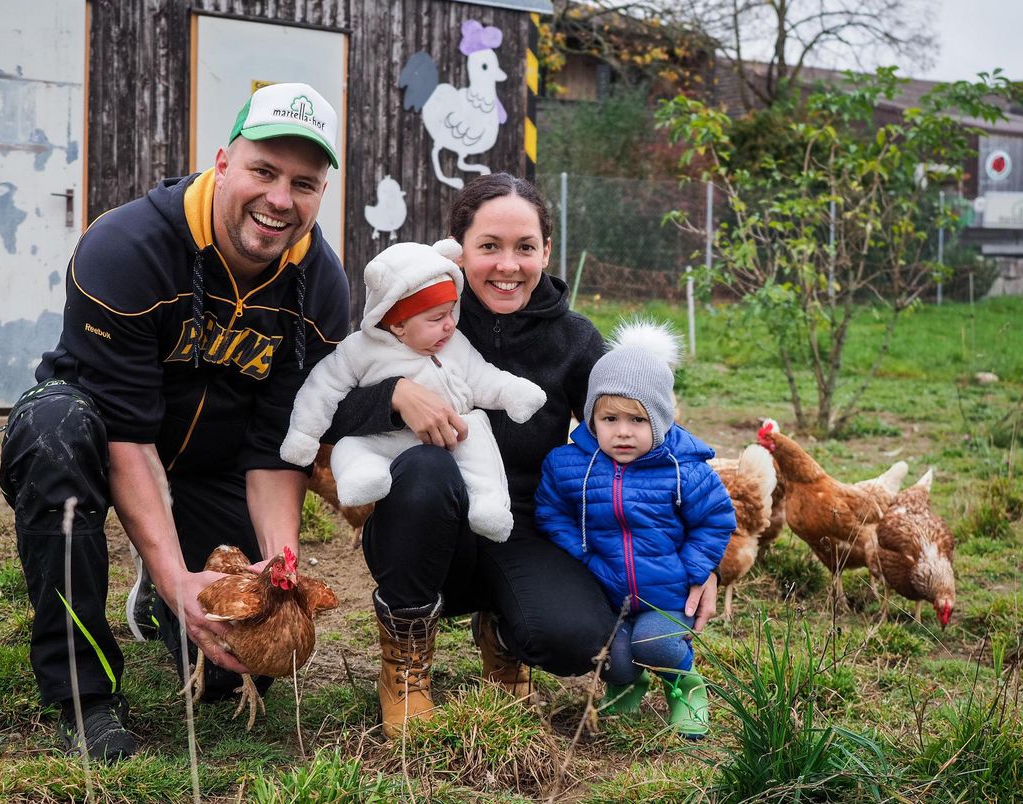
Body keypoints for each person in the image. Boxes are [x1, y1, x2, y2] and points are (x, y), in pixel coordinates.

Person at [0, 82, 350, 760]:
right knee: (55, 433)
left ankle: (161, 604)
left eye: (303, 183)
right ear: (223, 162)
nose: (280, 199)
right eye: (264, 171)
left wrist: (276, 568)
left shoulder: (320, 290)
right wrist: (173, 572)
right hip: (103, 441)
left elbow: (279, 448)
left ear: (322, 193)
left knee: (233, 664)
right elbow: (129, 436)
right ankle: (85, 694)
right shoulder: (127, 247)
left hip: (214, 465)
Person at [322, 173, 722, 737]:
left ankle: (505, 633)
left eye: (524, 248)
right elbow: (322, 404)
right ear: (460, 250)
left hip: (524, 524)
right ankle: (404, 663)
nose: (508, 265)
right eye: (489, 247)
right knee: (427, 468)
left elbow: (647, 428)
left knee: (581, 641)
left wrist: (700, 558)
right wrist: (392, 396)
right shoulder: (412, 316)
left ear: (546, 252)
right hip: (424, 522)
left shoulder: (576, 341)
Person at [534, 321, 736, 738]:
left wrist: (694, 569)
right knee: (617, 655)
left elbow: (715, 520)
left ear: (660, 419)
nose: (622, 431)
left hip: (668, 595)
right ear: (591, 418)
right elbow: (551, 513)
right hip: (607, 593)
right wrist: (583, 553)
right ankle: (627, 685)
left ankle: (686, 688)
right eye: (609, 418)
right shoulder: (569, 465)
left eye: (638, 419)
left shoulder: (685, 470)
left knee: (654, 645)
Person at [281, 239, 547, 543]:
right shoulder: (361, 351)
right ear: (398, 325)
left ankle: (487, 506)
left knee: (478, 442)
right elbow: (322, 387)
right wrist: (303, 436)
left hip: (453, 436)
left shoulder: (455, 345)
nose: (450, 326)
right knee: (352, 450)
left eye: (451, 312)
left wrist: (512, 392)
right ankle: (363, 477)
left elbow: (482, 376)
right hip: (383, 441)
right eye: (437, 318)